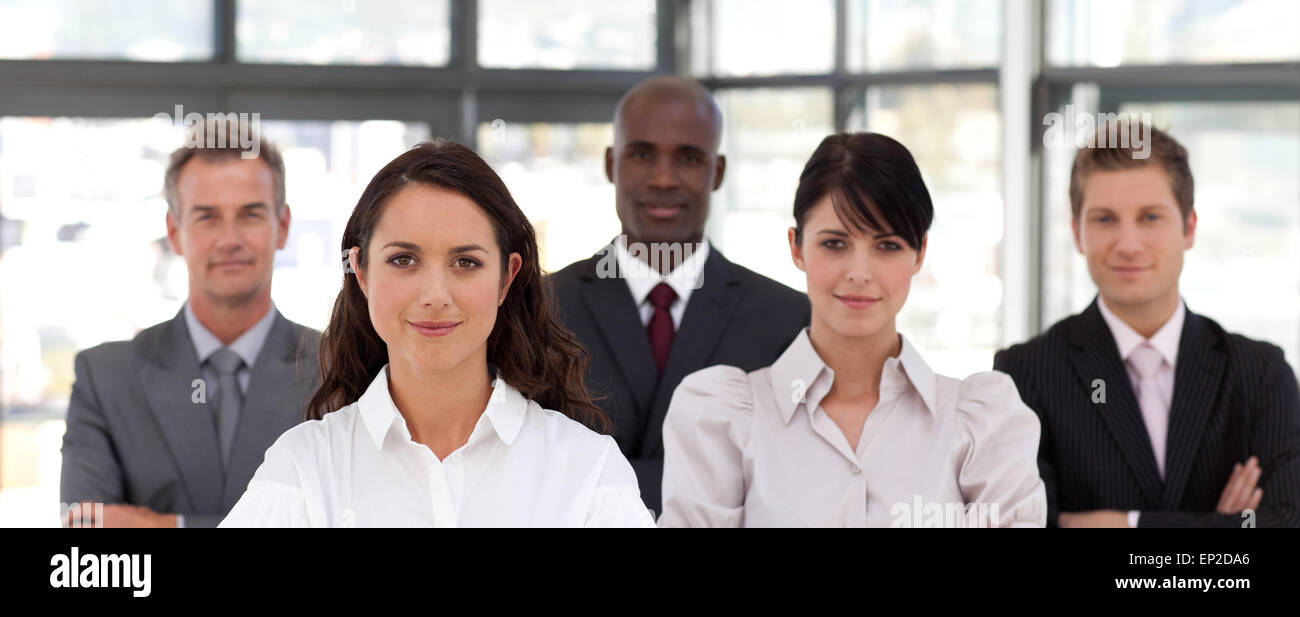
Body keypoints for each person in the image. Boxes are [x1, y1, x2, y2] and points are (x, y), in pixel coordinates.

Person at [220, 140, 655, 527]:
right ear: (362, 272)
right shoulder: (303, 469)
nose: (434, 295)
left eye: (466, 262)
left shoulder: (588, 472)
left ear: (507, 278)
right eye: (404, 260)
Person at [660, 132, 1046, 527]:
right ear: (797, 248)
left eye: (888, 246)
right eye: (835, 243)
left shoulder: (982, 424)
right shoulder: (722, 419)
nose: (860, 274)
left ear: (920, 254)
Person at [995, 121, 1300, 528]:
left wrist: (1125, 524)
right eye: (1104, 219)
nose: (1128, 244)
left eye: (1150, 217)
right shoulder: (1025, 374)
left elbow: (1287, 521)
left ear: (1188, 228)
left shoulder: (1260, 374)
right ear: (1077, 233)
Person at [549, 76, 810, 515]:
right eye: (642, 155)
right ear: (611, 163)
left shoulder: (787, 320)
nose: (664, 178)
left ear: (718, 171)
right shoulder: (541, 309)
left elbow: (793, 482)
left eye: (688, 158)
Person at [61, 117, 320, 528]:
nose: (229, 239)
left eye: (250, 215)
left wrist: (167, 525)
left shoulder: (341, 371)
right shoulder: (105, 379)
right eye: (207, 217)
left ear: (282, 226)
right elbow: (87, 530)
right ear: (175, 231)